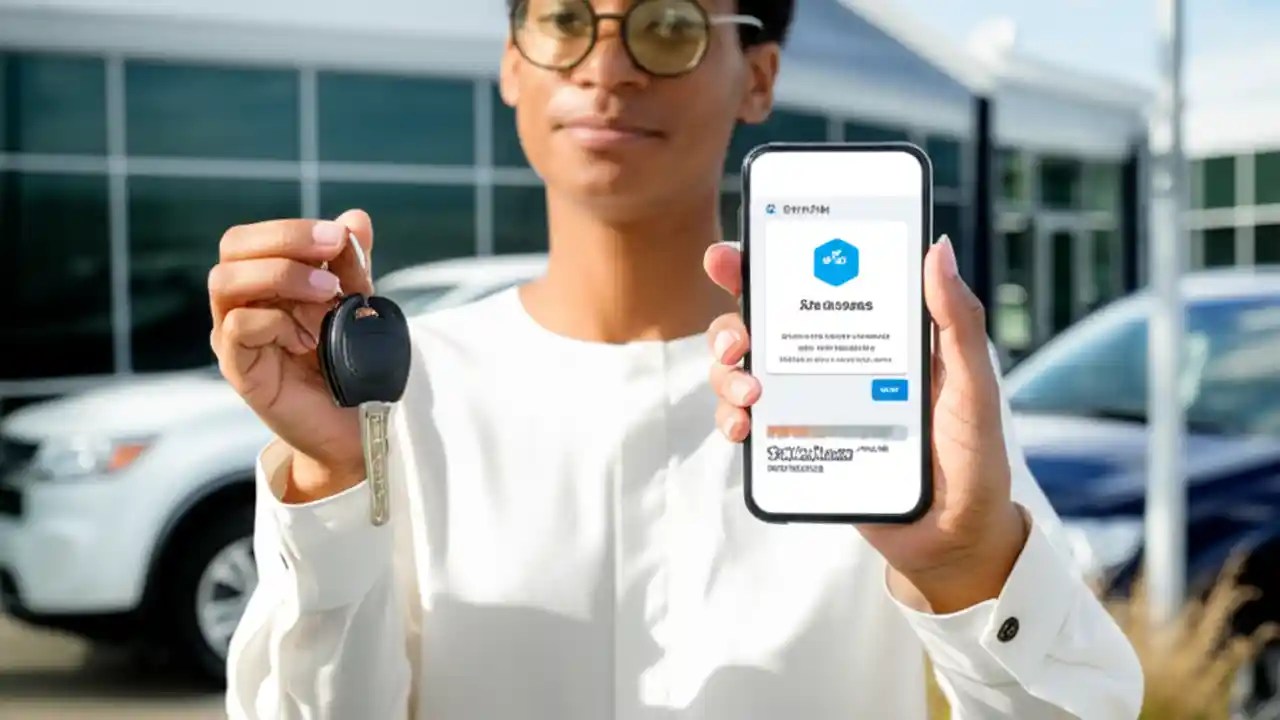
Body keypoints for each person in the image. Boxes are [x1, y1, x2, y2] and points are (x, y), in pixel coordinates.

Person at [209, 0, 1143, 717]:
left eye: (667, 26)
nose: (606, 66)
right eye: (564, 21)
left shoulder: (914, 401)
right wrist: (330, 481)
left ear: (758, 76)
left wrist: (969, 569)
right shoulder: (397, 397)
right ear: (511, 61)